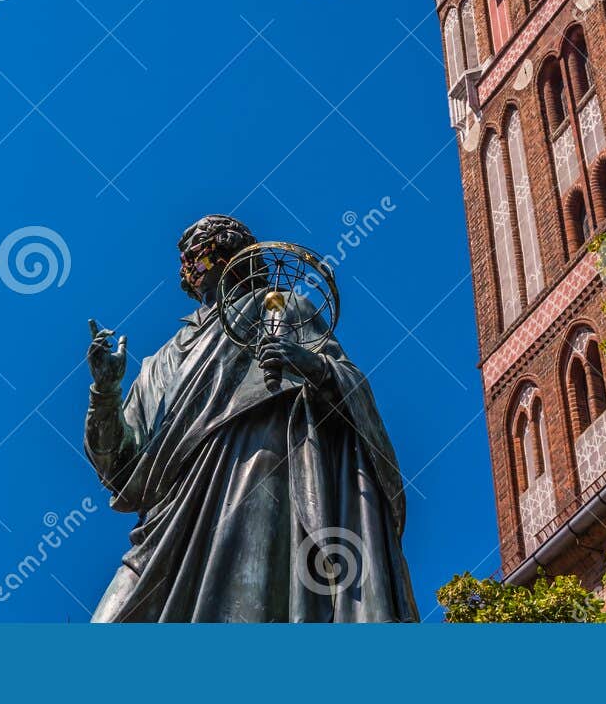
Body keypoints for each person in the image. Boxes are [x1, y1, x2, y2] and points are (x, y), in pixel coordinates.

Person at [83, 214, 418, 621]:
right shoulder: (159, 363)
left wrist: (308, 365)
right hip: (166, 521)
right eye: (187, 257)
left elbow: (349, 385)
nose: (192, 264)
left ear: (233, 259)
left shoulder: (282, 309)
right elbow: (118, 467)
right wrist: (104, 391)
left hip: (255, 477)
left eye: (203, 253)